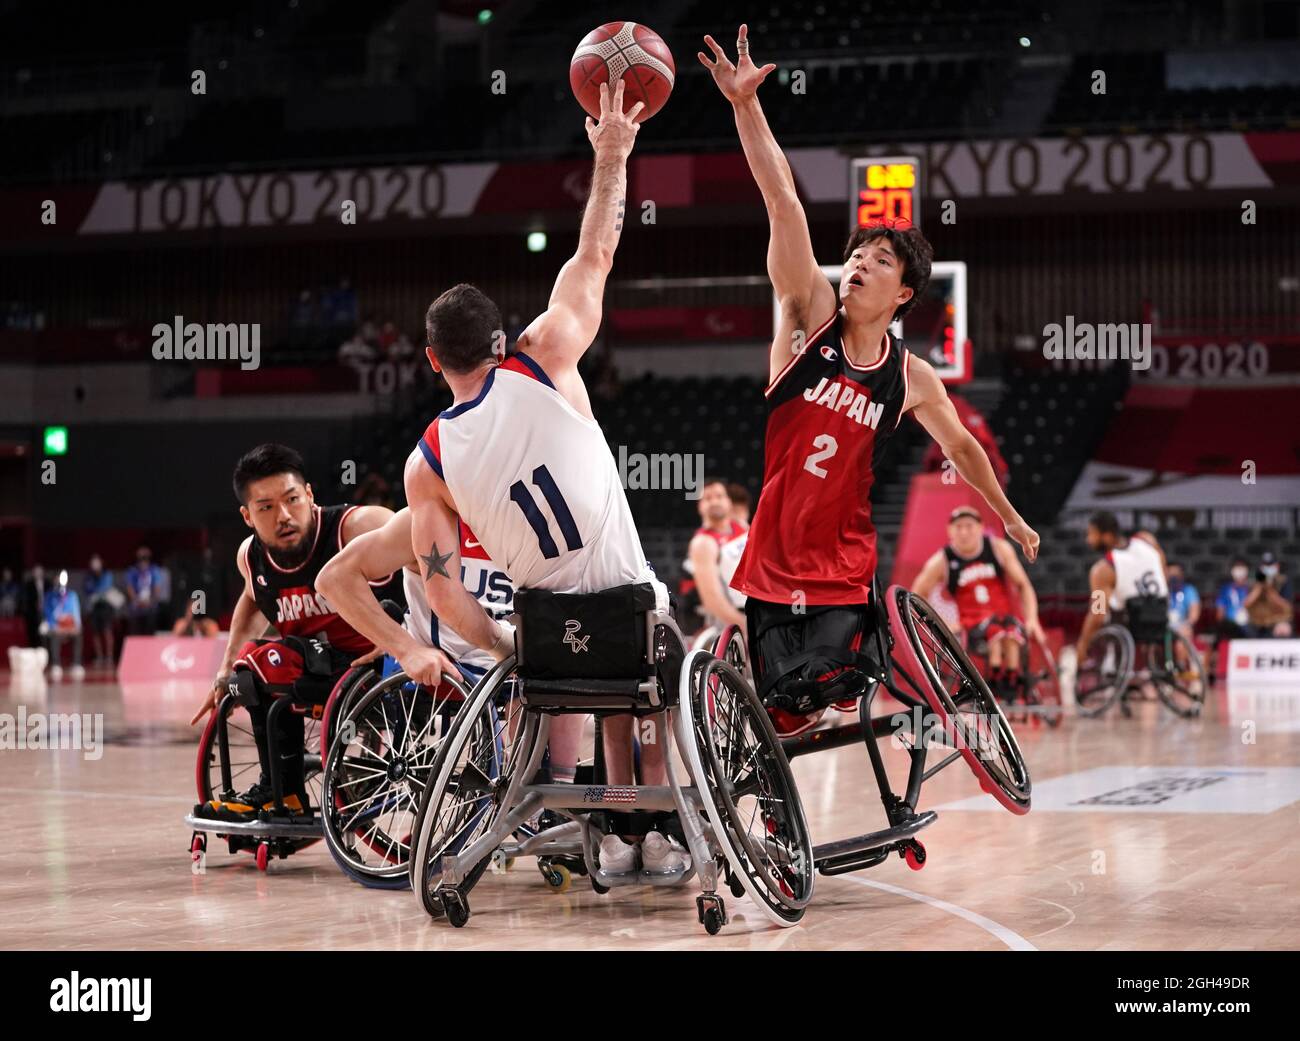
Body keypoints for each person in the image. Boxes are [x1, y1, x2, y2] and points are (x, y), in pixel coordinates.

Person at [699, 25, 1039, 736]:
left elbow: (965, 451)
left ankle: (848, 676)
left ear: (907, 291)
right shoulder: (804, 318)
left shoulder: (909, 376)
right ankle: (766, 823)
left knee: (833, 679)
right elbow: (783, 202)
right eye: (857, 254)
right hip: (771, 558)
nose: (859, 264)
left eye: (880, 260)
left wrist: (1005, 513)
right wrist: (744, 107)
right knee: (780, 721)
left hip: (843, 565)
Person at [401, 81, 686, 878]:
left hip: (551, 638)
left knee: (587, 671)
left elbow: (444, 592)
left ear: (432, 362)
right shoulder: (546, 352)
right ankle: (655, 829)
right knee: (649, 670)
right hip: (629, 607)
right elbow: (595, 252)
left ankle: (616, 833)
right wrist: (612, 154)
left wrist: (506, 646)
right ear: (500, 337)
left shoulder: (425, 462)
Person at [190, 443, 397, 820]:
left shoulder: (357, 528)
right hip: (324, 671)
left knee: (259, 659)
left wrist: (412, 639)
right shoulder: (250, 556)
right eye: (266, 507)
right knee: (250, 666)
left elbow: (428, 550)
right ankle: (282, 792)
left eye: (292, 499)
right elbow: (252, 599)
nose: (283, 515)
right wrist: (224, 671)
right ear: (247, 516)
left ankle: (282, 792)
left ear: (310, 495)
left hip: (384, 667)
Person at [911, 506, 1043, 704]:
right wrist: (943, 622)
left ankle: (1013, 681)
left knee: (1011, 632)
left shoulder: (999, 549)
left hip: (1003, 617)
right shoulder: (941, 560)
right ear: (950, 531)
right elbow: (915, 595)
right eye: (958, 527)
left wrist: (1033, 620)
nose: (964, 532)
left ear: (981, 527)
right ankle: (996, 682)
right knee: (996, 633)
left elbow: (1023, 586)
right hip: (972, 624)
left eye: (969, 526)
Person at [1076, 511, 1167, 660]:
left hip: (1131, 622)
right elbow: (1163, 569)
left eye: (1091, 534)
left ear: (1107, 535)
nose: (1088, 540)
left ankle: (1109, 664)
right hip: (1161, 613)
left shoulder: (1102, 570)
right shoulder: (1147, 540)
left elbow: (1098, 613)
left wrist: (1083, 644)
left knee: (1105, 618)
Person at [685, 478, 747, 633]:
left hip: (757, 608)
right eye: (708, 498)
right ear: (700, 506)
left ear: (728, 502)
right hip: (734, 619)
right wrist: (744, 626)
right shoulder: (703, 543)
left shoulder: (741, 526)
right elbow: (712, 599)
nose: (714, 501)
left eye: (719, 496)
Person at [43, 569, 84, 681]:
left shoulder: (72, 595)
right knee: (54, 637)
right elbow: (47, 615)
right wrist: (54, 627)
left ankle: (77, 664)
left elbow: (76, 614)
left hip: (70, 628)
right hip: (56, 628)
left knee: (78, 635)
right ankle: (56, 664)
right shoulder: (49, 596)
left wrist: (76, 627)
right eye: (57, 580)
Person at [1245, 551, 1293, 637]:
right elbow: (1246, 603)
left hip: (1276, 620)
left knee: (1283, 628)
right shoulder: (1254, 581)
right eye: (1265, 566)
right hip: (1258, 621)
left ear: (1277, 566)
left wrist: (1270, 590)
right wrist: (1259, 588)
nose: (1268, 568)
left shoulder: (1283, 581)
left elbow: (1286, 605)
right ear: (1261, 568)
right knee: (1245, 626)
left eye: (1270, 565)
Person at [82, 554, 120, 667]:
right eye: (93, 563)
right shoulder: (88, 576)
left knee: (107, 631)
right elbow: (87, 589)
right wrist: (95, 591)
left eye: (97, 562)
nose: (95, 565)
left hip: (106, 607)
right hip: (94, 608)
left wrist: (96, 591)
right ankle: (100, 656)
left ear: (101, 563)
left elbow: (104, 587)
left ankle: (109, 656)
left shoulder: (107, 574)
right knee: (95, 633)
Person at [125, 547, 164, 635]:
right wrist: (137, 600)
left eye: (145, 558)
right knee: (136, 634)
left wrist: (151, 601)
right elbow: (130, 588)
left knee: (149, 634)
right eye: (141, 559)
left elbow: (157, 587)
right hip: (136, 609)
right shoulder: (132, 571)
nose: (143, 561)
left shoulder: (154, 570)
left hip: (150, 607)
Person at [1214, 557, 1252, 638]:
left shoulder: (1252, 589)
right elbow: (1220, 612)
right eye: (1237, 567)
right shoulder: (1225, 589)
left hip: (1249, 625)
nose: (1240, 570)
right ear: (1232, 570)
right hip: (1231, 626)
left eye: (1242, 567)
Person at [1165, 561, 1201, 645]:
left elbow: (1194, 616)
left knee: (1181, 642)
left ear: (1181, 575)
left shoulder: (1189, 590)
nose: (1173, 577)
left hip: (1182, 627)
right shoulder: (1163, 591)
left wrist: (1185, 626)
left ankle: (1180, 658)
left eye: (1176, 574)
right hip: (1165, 627)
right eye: (1170, 574)